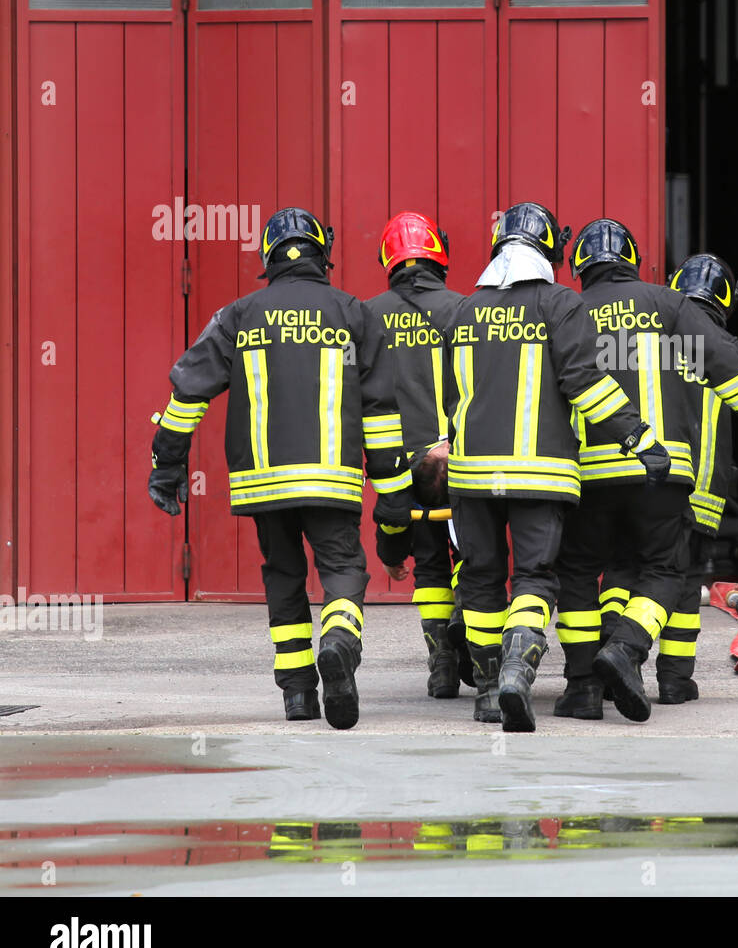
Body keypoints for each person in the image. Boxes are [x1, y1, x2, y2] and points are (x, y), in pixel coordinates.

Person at [147, 208, 414, 729]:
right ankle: (337, 641)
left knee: (284, 576)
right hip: (331, 481)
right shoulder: (356, 314)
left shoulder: (239, 314)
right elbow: (382, 415)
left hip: (262, 483)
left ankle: (297, 694)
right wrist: (393, 492)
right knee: (342, 569)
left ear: (269, 255)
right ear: (322, 252)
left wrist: (167, 464)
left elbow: (189, 393)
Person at [562, 221, 738, 723]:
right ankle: (670, 675)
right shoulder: (675, 319)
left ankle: (587, 682)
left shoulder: (567, 311)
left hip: (593, 471)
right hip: (681, 481)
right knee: (677, 577)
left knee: (607, 572)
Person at [441, 202, 669, 732]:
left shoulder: (462, 310)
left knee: (479, 579)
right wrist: (636, 436)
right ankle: (518, 674)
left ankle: (489, 693)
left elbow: (450, 399)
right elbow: (584, 382)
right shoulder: (561, 304)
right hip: (540, 474)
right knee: (535, 576)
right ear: (549, 247)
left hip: (472, 474)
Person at [365, 211, 471, 699]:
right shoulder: (466, 310)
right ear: (439, 255)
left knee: (427, 563)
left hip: (402, 468)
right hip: (465, 460)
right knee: (476, 555)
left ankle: (442, 666)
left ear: (389, 258)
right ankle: (471, 632)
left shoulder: (367, 316)